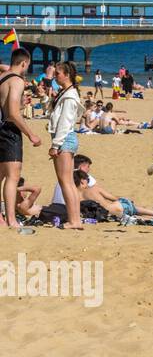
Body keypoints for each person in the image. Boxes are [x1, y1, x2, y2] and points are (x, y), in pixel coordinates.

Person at [1, 48, 40, 231]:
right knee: (12, 177)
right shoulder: (17, 80)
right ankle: (11, 220)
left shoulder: (2, 78)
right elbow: (13, 115)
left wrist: (21, 105)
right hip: (9, 132)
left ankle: (2, 219)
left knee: (1, 175)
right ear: (24, 63)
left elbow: (7, 108)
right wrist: (30, 133)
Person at [47, 62, 86, 229]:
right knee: (68, 182)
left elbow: (64, 122)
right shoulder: (67, 93)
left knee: (65, 182)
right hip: (66, 138)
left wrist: (55, 145)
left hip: (64, 139)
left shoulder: (70, 95)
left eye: (58, 73)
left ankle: (74, 220)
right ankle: (75, 219)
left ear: (67, 75)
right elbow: (56, 115)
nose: (56, 76)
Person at [74, 170, 153, 223]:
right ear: (83, 181)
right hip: (118, 208)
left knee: (134, 216)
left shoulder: (73, 197)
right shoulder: (94, 189)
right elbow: (113, 198)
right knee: (132, 208)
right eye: (87, 179)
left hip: (108, 216)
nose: (89, 181)